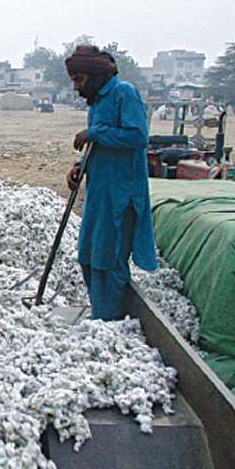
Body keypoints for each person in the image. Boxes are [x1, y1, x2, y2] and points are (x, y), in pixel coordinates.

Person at [64, 45, 157, 321]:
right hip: (99, 194)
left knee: (110, 260)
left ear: (93, 76)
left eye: (78, 79)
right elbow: (98, 146)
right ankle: (100, 313)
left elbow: (137, 136)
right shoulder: (97, 102)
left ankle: (109, 320)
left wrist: (95, 132)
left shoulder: (124, 93)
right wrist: (80, 166)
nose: (75, 87)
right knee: (89, 256)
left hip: (121, 194)